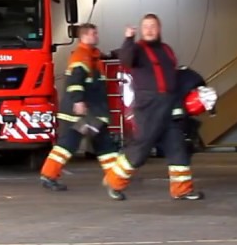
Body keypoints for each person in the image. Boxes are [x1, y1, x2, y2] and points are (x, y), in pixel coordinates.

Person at [102, 14, 213, 201]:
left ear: (159, 28)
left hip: (169, 105)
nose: (149, 30)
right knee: (141, 149)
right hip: (148, 108)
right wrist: (128, 38)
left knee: (177, 146)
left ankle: (182, 189)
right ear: (141, 30)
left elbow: (175, 75)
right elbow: (126, 60)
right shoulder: (136, 49)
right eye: (145, 26)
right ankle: (114, 181)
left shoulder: (167, 50)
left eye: (153, 26)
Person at [38, 23, 119, 190]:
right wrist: (78, 101)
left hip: (90, 113)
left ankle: (115, 178)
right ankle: (48, 175)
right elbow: (74, 82)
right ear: (84, 36)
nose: (96, 36)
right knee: (72, 144)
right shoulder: (82, 56)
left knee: (102, 144)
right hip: (82, 114)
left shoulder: (91, 55)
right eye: (93, 33)